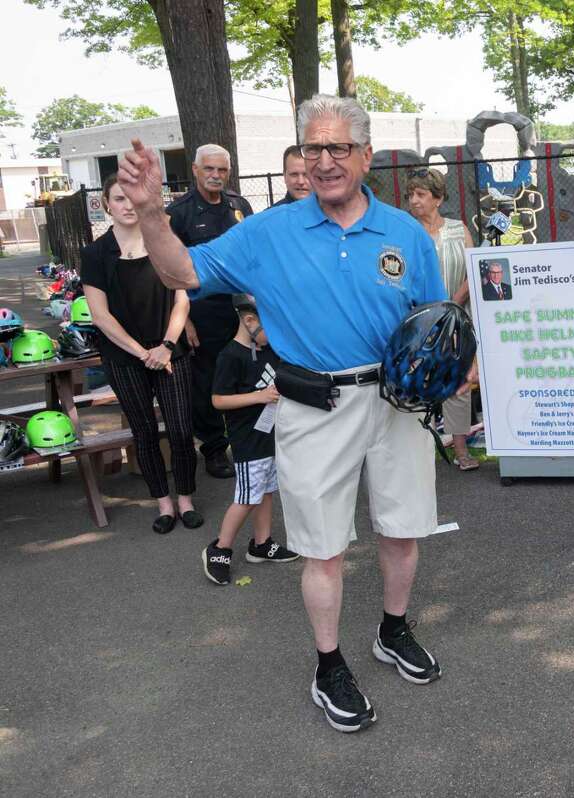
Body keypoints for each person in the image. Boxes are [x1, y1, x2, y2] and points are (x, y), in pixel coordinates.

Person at [119, 94, 461, 734]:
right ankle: (329, 664)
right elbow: (182, 270)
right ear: (300, 158)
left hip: (394, 405)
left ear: (364, 155)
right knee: (323, 549)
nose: (324, 161)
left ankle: (392, 630)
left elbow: (433, 322)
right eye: (313, 148)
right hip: (313, 404)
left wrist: (447, 375)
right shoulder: (267, 233)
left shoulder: (405, 234)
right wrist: (150, 214)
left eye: (338, 148)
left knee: (402, 528)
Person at [81, 175, 200, 535]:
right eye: (119, 198)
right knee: (144, 432)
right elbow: (100, 316)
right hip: (124, 358)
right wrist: (141, 353)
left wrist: (164, 347)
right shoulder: (96, 254)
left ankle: (186, 499)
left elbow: (182, 298)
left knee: (180, 430)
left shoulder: (165, 244)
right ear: (107, 204)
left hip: (170, 350)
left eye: (132, 197)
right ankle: (163, 503)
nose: (128, 204)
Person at [166, 143, 254, 480]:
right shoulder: (179, 213)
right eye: (209, 169)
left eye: (222, 169)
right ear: (195, 169)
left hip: (241, 306)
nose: (216, 175)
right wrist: (184, 318)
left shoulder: (239, 206)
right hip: (202, 311)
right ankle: (214, 449)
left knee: (245, 372)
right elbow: (168, 271)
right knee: (208, 380)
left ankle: (247, 440)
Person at [203, 294, 299, 585]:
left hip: (269, 436)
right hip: (247, 440)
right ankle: (220, 549)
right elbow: (218, 400)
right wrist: (258, 396)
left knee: (266, 490)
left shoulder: (269, 350)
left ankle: (262, 543)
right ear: (249, 321)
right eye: (273, 327)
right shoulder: (230, 356)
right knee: (247, 497)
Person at [404, 167, 478, 470]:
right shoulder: (406, 231)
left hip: (457, 317)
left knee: (457, 382)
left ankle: (461, 451)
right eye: (410, 195)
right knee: (416, 381)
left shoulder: (459, 229)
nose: (414, 201)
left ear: (438, 198)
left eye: (421, 194)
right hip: (419, 319)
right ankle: (415, 452)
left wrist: (454, 303)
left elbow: (472, 271)